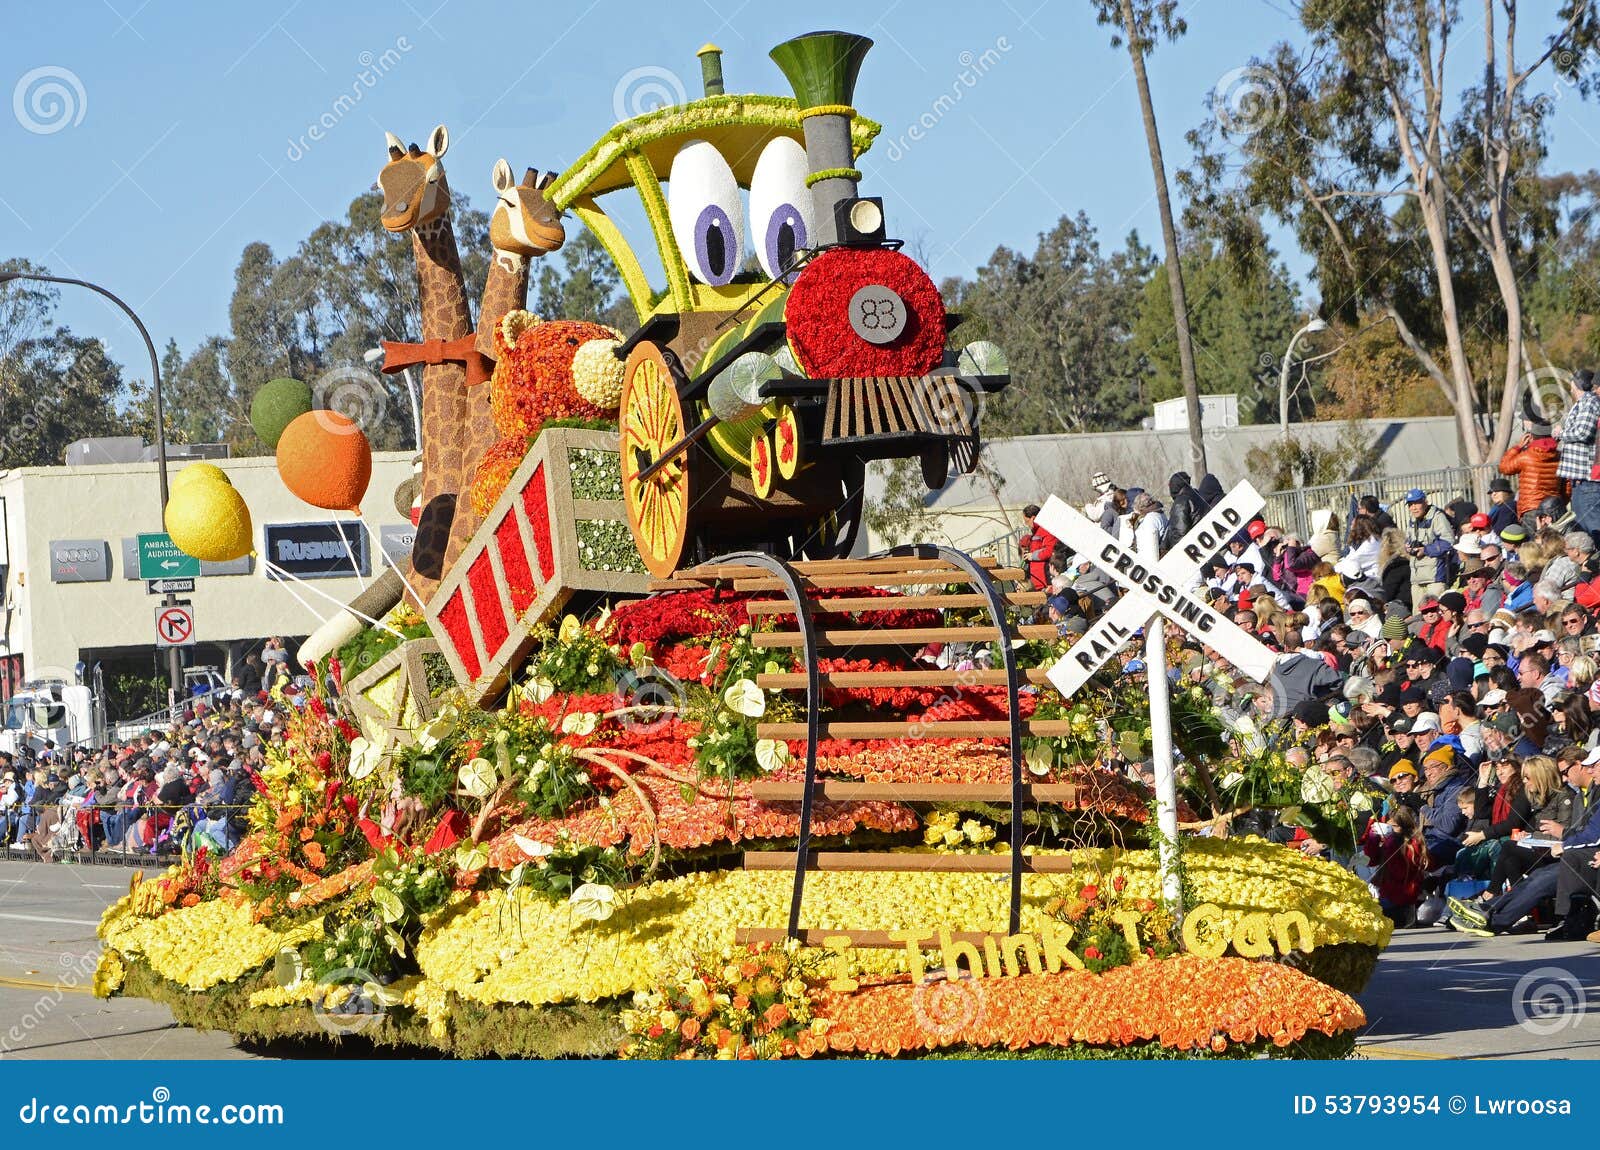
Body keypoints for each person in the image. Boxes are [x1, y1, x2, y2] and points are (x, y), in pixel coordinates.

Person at [1557, 368, 1600, 537]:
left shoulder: (1589, 402)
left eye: (1572, 385)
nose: (1570, 389)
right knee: (1585, 529)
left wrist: (1561, 433)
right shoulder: (1585, 403)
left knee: (1593, 530)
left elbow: (1583, 432)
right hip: (1582, 481)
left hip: (1587, 480)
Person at [1500, 417, 1562, 519]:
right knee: (1553, 535)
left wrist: (1518, 447)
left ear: (1531, 436)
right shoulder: (1559, 456)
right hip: (1553, 508)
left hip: (1531, 508)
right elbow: (1567, 484)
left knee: (1534, 535)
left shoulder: (1526, 456)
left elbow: (1504, 468)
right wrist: (1561, 501)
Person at [1404, 489, 1458, 605]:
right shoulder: (1412, 520)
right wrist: (1408, 547)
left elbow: (1449, 543)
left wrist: (1426, 550)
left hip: (1435, 579)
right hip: (1416, 579)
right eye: (1410, 504)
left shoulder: (1437, 517)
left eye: (1416, 503)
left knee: (1435, 613)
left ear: (1425, 502)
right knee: (1418, 618)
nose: (1413, 507)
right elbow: (1408, 540)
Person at [1018, 504, 1056, 591]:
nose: (1026, 524)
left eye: (1027, 521)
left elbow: (1050, 550)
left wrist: (1032, 556)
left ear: (1033, 518)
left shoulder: (1046, 530)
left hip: (1045, 581)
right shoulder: (1036, 532)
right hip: (1037, 580)